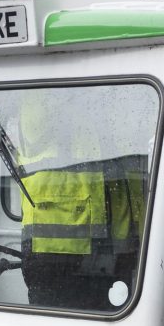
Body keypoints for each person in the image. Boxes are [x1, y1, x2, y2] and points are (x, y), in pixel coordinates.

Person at [16, 93, 145, 310]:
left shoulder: (121, 95)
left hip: (120, 244)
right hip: (55, 250)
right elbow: (37, 129)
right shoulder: (43, 94)